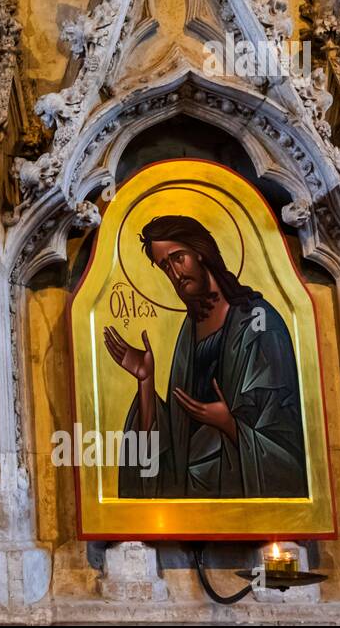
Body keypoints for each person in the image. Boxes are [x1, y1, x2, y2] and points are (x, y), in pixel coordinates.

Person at [104, 214, 308, 499]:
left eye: (178, 258)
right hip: (192, 493)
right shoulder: (189, 329)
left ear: (200, 251)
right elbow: (175, 444)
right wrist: (146, 381)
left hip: (238, 492)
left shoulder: (260, 322)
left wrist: (229, 424)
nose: (174, 273)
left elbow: (285, 440)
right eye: (165, 266)